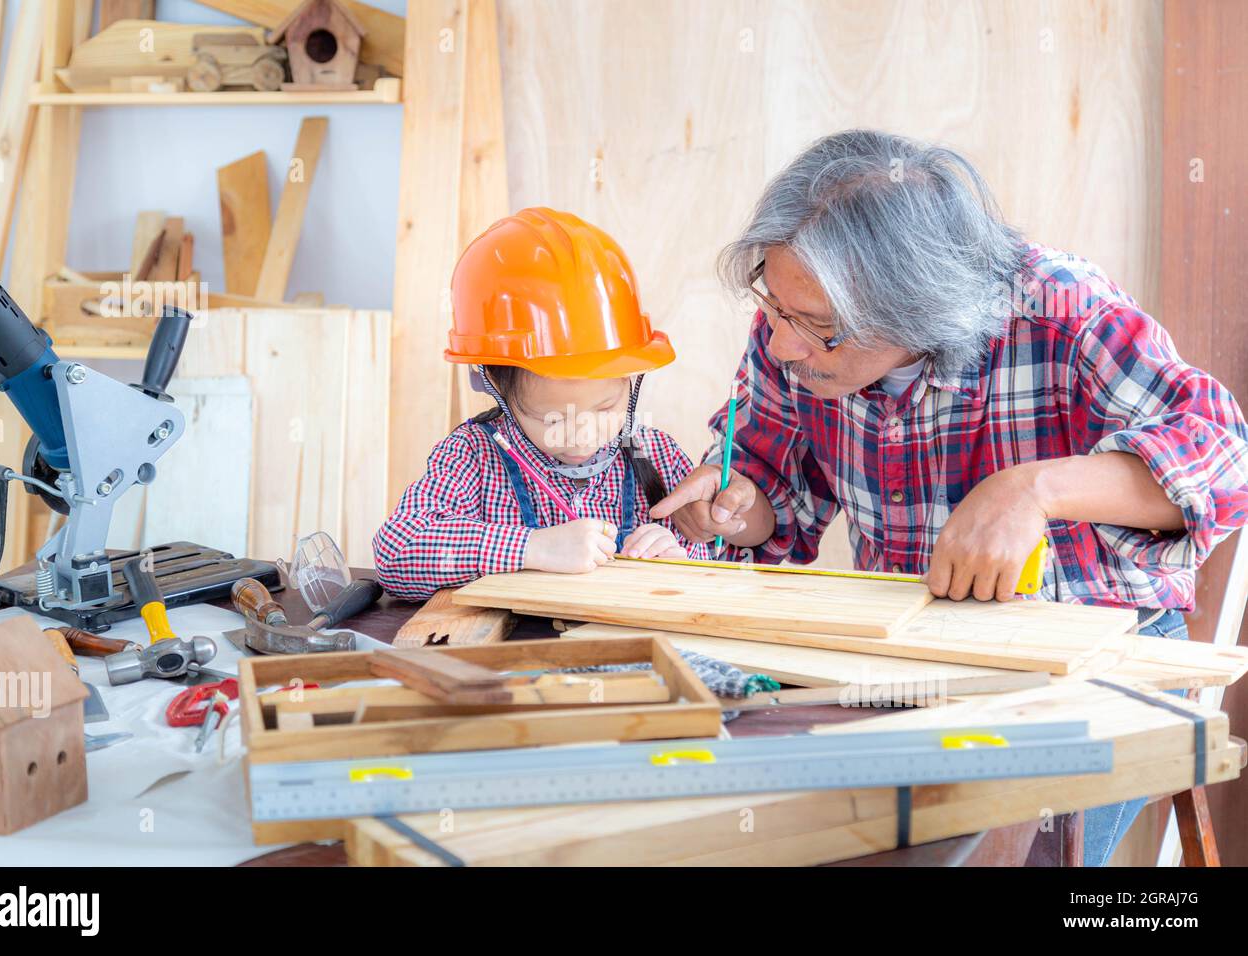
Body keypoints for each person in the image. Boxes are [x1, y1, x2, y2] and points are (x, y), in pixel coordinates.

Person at [651, 129, 1248, 865]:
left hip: (1092, 659)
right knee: (788, 829)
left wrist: (1036, 489)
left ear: (916, 308)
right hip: (899, 654)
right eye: (773, 309)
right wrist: (736, 505)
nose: (782, 347)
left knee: (996, 855)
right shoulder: (793, 326)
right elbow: (772, 486)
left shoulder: (1058, 308)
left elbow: (1225, 459)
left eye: (819, 330)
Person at [375, 207, 708, 601]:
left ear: (631, 379)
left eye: (605, 409)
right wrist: (533, 547)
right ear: (492, 384)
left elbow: (725, 575)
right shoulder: (472, 456)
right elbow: (396, 553)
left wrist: (680, 562)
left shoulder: (659, 456)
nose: (583, 438)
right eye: (553, 419)